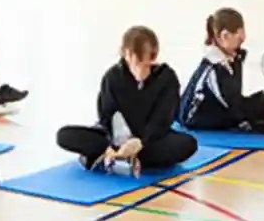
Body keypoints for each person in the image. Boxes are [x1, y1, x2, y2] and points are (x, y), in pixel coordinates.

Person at [57, 25, 197, 176]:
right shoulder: (113, 77)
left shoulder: (166, 78)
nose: (141, 70)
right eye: (136, 62)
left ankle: (114, 159)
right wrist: (112, 146)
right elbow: (106, 116)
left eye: (145, 63)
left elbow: (162, 119)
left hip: (148, 141)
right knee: (64, 135)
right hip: (115, 139)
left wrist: (140, 142)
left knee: (187, 144)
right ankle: (114, 155)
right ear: (126, 55)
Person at [178, 8, 264, 135]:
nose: (241, 45)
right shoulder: (213, 68)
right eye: (239, 40)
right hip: (196, 119)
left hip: (219, 110)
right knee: (259, 104)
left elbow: (233, 97)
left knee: (262, 101)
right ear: (225, 36)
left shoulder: (227, 60)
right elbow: (230, 106)